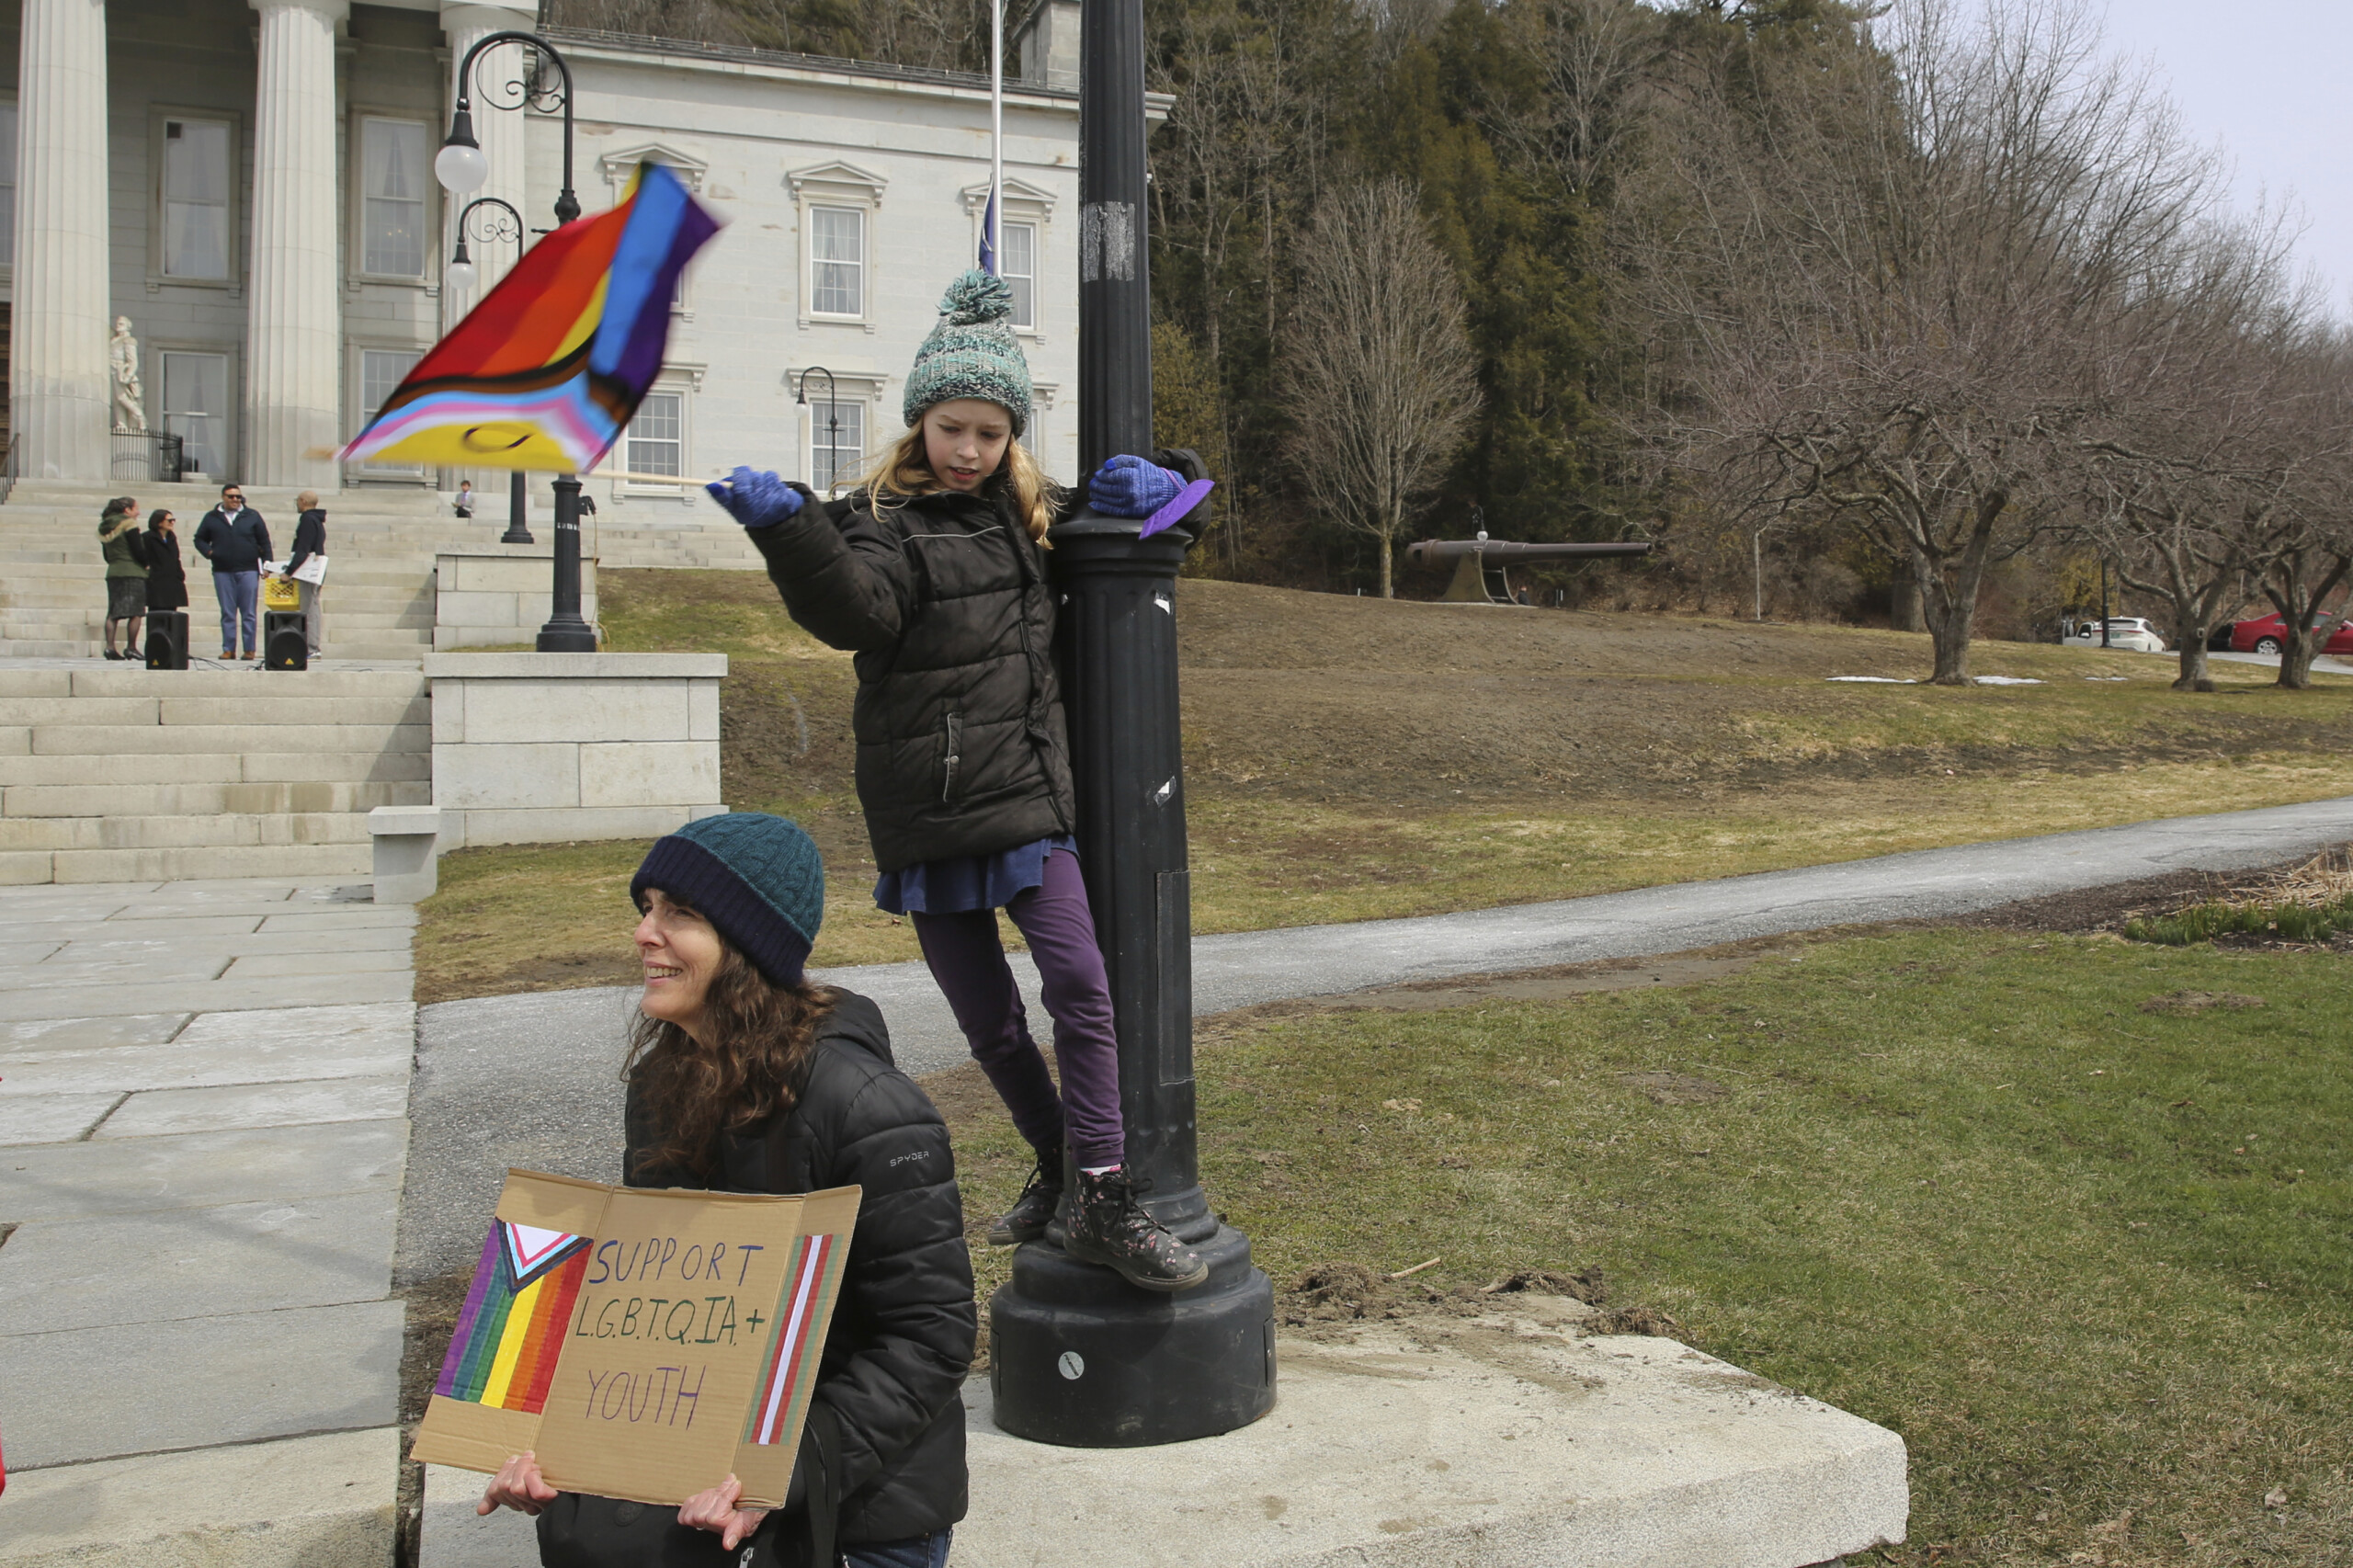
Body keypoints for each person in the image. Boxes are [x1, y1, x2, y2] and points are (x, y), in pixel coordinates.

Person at [704, 269, 1211, 1292]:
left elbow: (1157, 522)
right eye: (951, 428)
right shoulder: (876, 524)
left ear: (1010, 435)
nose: (969, 449)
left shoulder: (1030, 517)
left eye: (988, 431)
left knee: (1078, 984)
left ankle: (1101, 1187)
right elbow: (855, 611)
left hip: (1026, 798)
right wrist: (787, 528)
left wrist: (1161, 483)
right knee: (985, 1020)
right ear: (919, 423)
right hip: (929, 811)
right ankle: (1057, 1160)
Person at [476, 812, 972, 1568]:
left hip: (861, 1507)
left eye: (680, 914)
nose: (645, 933)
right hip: (707, 1470)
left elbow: (930, 1338)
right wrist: (551, 1441)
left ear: (746, 947)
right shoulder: (660, 1085)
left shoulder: (868, 1106)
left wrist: (784, 1475)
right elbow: (647, 1304)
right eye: (647, 908)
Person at [191, 483, 269, 659]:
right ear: (223, 497)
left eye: (238, 496)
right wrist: (210, 553)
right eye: (231, 496)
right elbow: (199, 539)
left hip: (248, 569)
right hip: (222, 570)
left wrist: (266, 564)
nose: (235, 499)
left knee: (248, 612)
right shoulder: (212, 517)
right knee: (227, 612)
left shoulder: (252, 516)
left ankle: (249, 649)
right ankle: (229, 648)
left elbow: (264, 540)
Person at [97, 496, 147, 661]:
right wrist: (147, 564)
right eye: (136, 508)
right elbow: (138, 549)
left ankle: (110, 647)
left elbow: (106, 555)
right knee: (136, 612)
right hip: (132, 570)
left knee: (113, 613)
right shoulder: (129, 524)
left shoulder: (105, 526)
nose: (138, 512)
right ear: (127, 510)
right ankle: (131, 647)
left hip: (114, 571)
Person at [284, 490, 326, 657]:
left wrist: (289, 571)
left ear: (303, 501)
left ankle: (312, 647)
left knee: (309, 607)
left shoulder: (308, 520)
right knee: (312, 605)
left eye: (298, 501)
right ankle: (311, 646)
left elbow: (303, 548)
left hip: (309, 571)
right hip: (316, 568)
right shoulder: (317, 520)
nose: (297, 503)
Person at [144, 506, 187, 625]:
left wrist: (180, 574)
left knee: (171, 617)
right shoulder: (148, 537)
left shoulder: (171, 538)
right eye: (169, 520)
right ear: (159, 522)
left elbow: (176, 558)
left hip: (172, 582)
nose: (172, 522)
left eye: (173, 520)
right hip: (156, 582)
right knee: (156, 616)